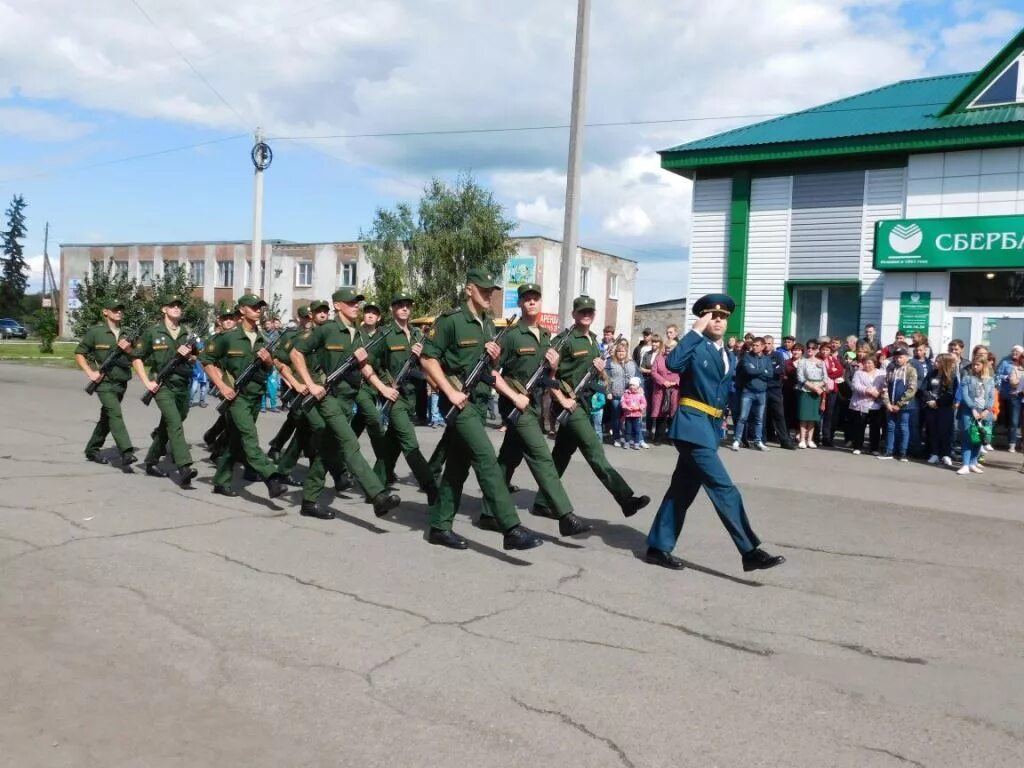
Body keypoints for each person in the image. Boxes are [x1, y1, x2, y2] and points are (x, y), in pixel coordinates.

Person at [644, 293, 785, 572]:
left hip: (710, 428)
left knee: (681, 491)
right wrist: (694, 331)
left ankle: (658, 547)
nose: (717, 320)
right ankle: (749, 550)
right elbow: (672, 365)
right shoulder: (695, 346)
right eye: (712, 316)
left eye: (722, 317)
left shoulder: (729, 356)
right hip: (691, 426)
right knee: (724, 488)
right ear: (703, 319)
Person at [418, 269, 545, 550]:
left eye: (492, 290)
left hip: (476, 401)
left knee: (457, 467)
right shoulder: (451, 321)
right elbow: (427, 359)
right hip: (457, 403)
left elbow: (488, 370)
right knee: (486, 458)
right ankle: (510, 528)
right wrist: (449, 391)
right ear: (469, 290)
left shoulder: (488, 323)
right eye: (484, 289)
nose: (489, 294)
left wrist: (495, 361)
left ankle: (440, 526)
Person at [477, 282, 593, 538]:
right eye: (526, 298)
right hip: (516, 406)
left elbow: (547, 378)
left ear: (540, 303)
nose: (531, 302)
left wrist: (553, 368)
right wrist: (512, 396)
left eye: (535, 298)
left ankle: (487, 512)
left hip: (534, 405)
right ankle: (565, 515)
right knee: (541, 456)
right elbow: (491, 373)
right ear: (520, 303)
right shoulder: (510, 335)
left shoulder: (544, 336)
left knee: (508, 458)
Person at [530, 295, 650, 521]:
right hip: (570, 407)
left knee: (561, 456)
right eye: (582, 311)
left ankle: (542, 501)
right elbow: (546, 375)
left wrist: (600, 368)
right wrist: (562, 399)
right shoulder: (563, 340)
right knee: (596, 452)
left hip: (585, 405)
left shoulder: (593, 341)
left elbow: (596, 376)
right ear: (574, 314)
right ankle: (626, 499)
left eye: (590, 312)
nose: (586, 315)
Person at [289, 287, 402, 519]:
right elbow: (296, 353)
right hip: (328, 398)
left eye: (357, 302)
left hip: (348, 399)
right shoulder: (328, 329)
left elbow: (365, 367)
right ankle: (377, 495)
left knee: (327, 450)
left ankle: (309, 500)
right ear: (338, 306)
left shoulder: (358, 334)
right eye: (351, 303)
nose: (356, 306)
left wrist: (383, 388)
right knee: (350, 443)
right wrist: (310, 384)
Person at [201, 294, 288, 500]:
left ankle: (221, 482)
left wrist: (268, 362)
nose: (258, 310)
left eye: (260, 307)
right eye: (254, 307)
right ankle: (271, 478)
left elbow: (269, 369)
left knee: (236, 441)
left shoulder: (264, 339)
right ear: (242, 310)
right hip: (236, 397)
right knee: (249, 438)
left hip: (256, 396)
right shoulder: (228, 337)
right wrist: (221, 385)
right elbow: (206, 360)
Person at [371, 293, 439, 498]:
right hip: (393, 397)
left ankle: (374, 484)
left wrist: (421, 355)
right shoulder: (384, 334)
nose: (404, 308)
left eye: (407, 305)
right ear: (392, 309)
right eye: (399, 305)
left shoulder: (418, 335)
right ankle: (430, 487)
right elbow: (370, 365)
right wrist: (383, 387)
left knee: (392, 443)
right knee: (409, 443)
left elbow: (429, 364)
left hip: (412, 396)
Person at [131, 294, 198, 487]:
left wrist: (189, 356)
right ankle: (184, 467)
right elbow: (137, 358)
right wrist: (147, 382)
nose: (177, 308)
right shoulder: (153, 332)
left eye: (179, 305)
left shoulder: (187, 333)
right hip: (162, 386)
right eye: (172, 305)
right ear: (164, 309)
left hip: (183, 385)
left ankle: (150, 462)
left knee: (167, 426)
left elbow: (195, 358)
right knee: (175, 423)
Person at [74, 299, 137, 466]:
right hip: (103, 382)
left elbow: (138, 356)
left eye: (121, 309)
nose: (119, 312)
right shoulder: (96, 332)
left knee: (107, 418)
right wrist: (90, 372)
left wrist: (129, 349)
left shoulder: (128, 333)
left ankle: (92, 449)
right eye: (115, 309)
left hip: (121, 382)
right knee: (115, 413)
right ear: (105, 312)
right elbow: (80, 353)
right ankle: (126, 451)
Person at [350, 302, 390, 467]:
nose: (370, 315)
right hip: (359, 384)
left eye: (374, 313)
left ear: (379, 317)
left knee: (359, 423)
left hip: (375, 385)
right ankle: (384, 464)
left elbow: (385, 362)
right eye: (367, 312)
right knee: (374, 420)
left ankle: (340, 457)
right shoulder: (356, 334)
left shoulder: (383, 336)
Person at [731, 336, 773, 451]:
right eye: (753, 345)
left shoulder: (767, 359)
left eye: (757, 345)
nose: (754, 347)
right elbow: (749, 371)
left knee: (759, 419)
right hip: (748, 392)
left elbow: (770, 374)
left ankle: (758, 441)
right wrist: (762, 371)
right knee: (743, 417)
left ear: (763, 346)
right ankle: (737, 440)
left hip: (761, 392)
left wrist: (759, 371)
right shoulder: (747, 357)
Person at [878, 347, 918, 462]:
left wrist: (899, 404)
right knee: (890, 427)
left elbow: (912, 389)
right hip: (891, 404)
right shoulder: (891, 370)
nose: (898, 359)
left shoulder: (911, 370)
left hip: (905, 405)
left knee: (903, 427)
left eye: (900, 357)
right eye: (896, 357)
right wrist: (887, 403)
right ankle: (889, 450)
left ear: (906, 358)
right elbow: (885, 387)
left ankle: (903, 452)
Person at [956, 356, 994, 476]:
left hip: (984, 412)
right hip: (969, 411)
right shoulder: (967, 378)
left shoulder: (990, 380)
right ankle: (965, 464)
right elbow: (965, 395)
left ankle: (973, 462)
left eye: (977, 365)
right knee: (968, 436)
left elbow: (992, 397)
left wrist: (987, 410)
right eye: (973, 365)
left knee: (978, 438)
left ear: (983, 366)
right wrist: (973, 408)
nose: (974, 367)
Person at [922, 353, 958, 467]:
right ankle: (934, 453)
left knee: (945, 432)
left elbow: (950, 393)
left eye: (938, 361)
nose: (935, 363)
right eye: (935, 361)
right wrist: (929, 400)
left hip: (945, 408)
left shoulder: (952, 377)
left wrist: (937, 402)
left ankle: (946, 454)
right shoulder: (931, 374)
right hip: (931, 407)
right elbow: (924, 388)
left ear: (944, 363)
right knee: (933, 431)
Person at [848, 354, 884, 455]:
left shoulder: (881, 373)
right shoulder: (858, 373)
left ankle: (874, 448)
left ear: (874, 363)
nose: (867, 365)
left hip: (876, 404)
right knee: (859, 426)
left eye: (869, 363)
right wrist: (868, 391)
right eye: (865, 363)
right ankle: (857, 446)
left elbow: (884, 385)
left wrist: (878, 392)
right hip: (860, 403)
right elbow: (856, 386)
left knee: (875, 427)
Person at [763, 335, 795, 449]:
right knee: (762, 415)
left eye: (769, 343)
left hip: (775, 389)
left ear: (773, 344)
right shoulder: (760, 355)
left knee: (779, 415)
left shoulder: (778, 355)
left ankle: (785, 441)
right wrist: (769, 370)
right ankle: (763, 439)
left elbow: (780, 370)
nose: (766, 346)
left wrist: (765, 371)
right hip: (762, 389)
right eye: (765, 343)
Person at [606, 342, 637, 447]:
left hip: (630, 396)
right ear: (616, 352)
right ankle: (616, 437)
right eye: (619, 351)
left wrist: (640, 387)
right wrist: (608, 392)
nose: (621, 353)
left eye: (623, 351)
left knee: (629, 418)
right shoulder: (610, 363)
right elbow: (606, 379)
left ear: (626, 352)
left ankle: (628, 438)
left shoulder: (632, 363)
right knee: (616, 417)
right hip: (616, 395)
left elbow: (638, 377)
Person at [650, 336, 680, 444]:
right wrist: (663, 382)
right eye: (667, 347)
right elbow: (653, 372)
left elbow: (683, 372)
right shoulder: (659, 358)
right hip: (661, 390)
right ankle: (658, 437)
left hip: (675, 390)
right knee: (660, 415)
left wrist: (675, 382)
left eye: (671, 347)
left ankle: (672, 438)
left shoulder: (680, 358)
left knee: (673, 414)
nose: (668, 349)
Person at [795, 343, 826, 448]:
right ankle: (802, 439)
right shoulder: (802, 362)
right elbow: (800, 377)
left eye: (813, 348)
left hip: (817, 391)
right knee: (804, 416)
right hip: (805, 390)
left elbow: (825, 378)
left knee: (813, 417)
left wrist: (819, 387)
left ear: (817, 350)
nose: (810, 350)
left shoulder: (821, 362)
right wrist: (813, 387)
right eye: (808, 348)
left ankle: (810, 439)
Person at [996, 345, 1024, 452]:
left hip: (1017, 394)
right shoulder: (1012, 366)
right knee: (1013, 420)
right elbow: (1012, 381)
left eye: (1017, 352)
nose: (1015, 353)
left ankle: (1021, 443)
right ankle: (1012, 443)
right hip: (1014, 396)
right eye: (1013, 351)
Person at [621, 376, 648, 449]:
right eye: (630, 385)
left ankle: (636, 443)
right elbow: (622, 401)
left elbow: (644, 403)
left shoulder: (640, 394)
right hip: (628, 415)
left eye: (633, 385)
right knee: (628, 430)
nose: (632, 387)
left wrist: (638, 407)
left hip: (637, 415)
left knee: (637, 430)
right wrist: (626, 407)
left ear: (637, 386)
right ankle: (627, 442)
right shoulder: (626, 393)